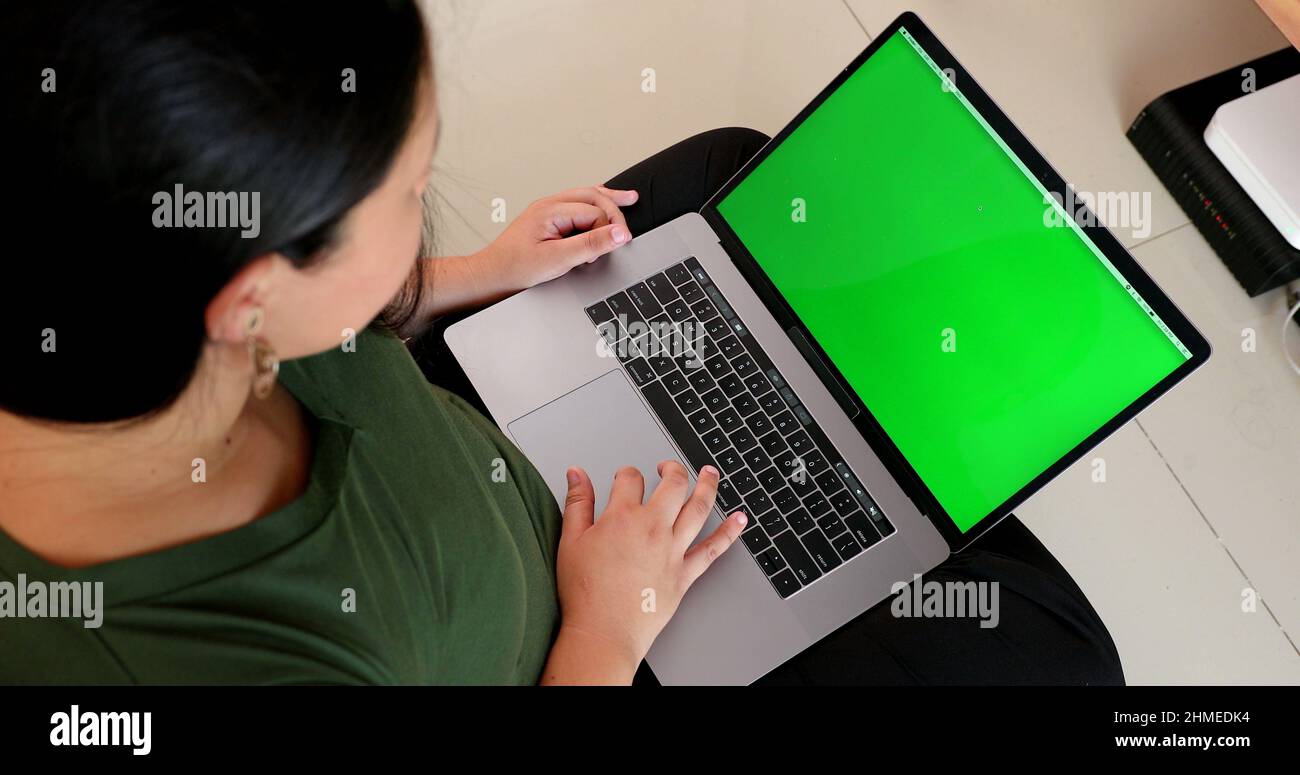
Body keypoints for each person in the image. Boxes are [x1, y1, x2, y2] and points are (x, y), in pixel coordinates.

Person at [0, 0, 1123, 685]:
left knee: (720, 177)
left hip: (474, 458)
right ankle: (864, 479)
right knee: (1059, 649)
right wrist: (606, 625)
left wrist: (481, 274)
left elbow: (310, 329)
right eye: (411, 189)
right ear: (251, 298)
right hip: (578, 631)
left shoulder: (99, 267)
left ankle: (848, 453)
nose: (430, 197)